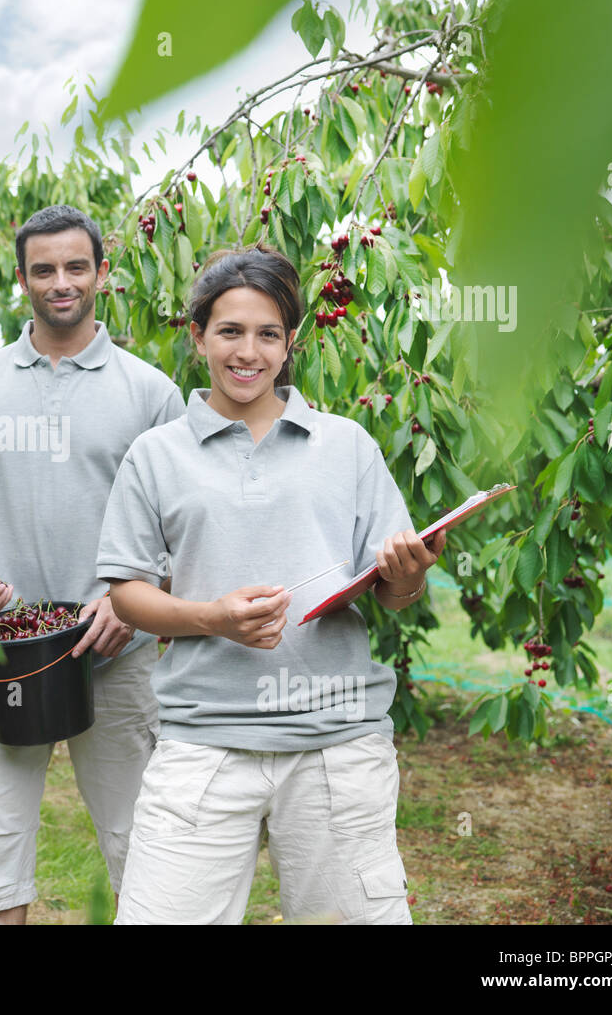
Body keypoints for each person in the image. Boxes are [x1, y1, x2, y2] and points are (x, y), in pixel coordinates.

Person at [96, 244, 445, 925]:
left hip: (335, 744)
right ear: (197, 336)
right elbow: (126, 594)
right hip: (203, 742)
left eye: (267, 334)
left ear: (291, 343)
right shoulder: (156, 454)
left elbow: (395, 594)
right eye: (229, 331)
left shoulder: (346, 446)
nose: (247, 351)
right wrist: (213, 618)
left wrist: (406, 577)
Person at [0, 204, 185, 923]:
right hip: (4, 650)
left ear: (102, 273)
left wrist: (136, 595)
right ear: (22, 280)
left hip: (117, 651)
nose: (60, 281)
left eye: (76, 266)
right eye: (44, 270)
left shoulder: (149, 391)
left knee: (146, 849)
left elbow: (184, 523)